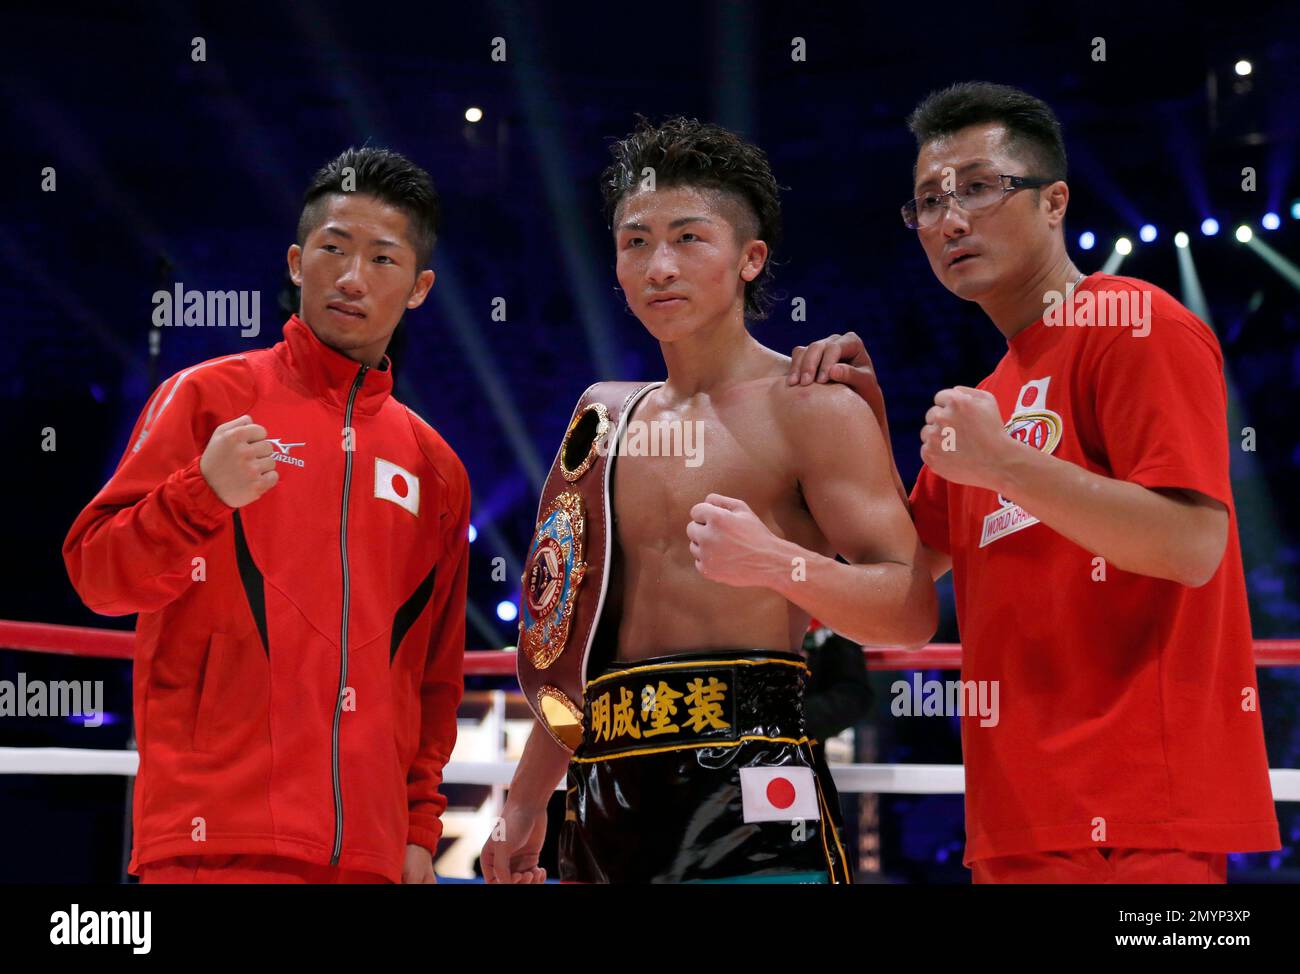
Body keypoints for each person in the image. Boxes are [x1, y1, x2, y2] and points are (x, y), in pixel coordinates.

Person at [789, 81, 1280, 883]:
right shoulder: (990, 396)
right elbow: (900, 597)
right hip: (1014, 826)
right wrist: (858, 423)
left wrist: (1005, 464)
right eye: (928, 203)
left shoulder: (1134, 322)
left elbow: (1194, 545)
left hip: (1137, 828)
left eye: (979, 188)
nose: (950, 220)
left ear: (1054, 202)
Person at [482, 117, 936, 884]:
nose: (660, 265)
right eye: (636, 242)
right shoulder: (603, 416)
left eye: (689, 238)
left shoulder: (812, 408)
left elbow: (910, 609)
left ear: (749, 258)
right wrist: (527, 803)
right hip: (605, 788)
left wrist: (781, 565)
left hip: (753, 784)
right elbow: (579, 637)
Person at [63, 147, 471, 884]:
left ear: (419, 287)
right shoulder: (207, 398)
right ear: (295, 260)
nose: (351, 278)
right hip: (213, 842)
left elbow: (432, 675)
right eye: (333, 250)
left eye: (382, 259)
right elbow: (99, 576)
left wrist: (416, 828)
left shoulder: (434, 466)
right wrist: (198, 494)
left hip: (371, 859)